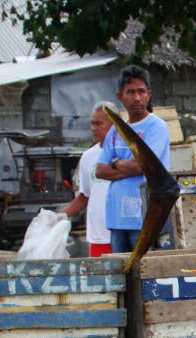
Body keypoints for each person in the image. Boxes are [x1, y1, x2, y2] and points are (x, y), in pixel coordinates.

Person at [96, 65, 170, 254]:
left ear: (149, 94)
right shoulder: (115, 130)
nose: (137, 97)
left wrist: (116, 163)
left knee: (144, 273)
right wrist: (131, 166)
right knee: (122, 276)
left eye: (141, 92)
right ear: (120, 96)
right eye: (130, 92)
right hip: (116, 220)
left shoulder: (156, 127)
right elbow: (100, 170)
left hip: (144, 218)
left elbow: (143, 164)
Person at [60, 101, 119, 257]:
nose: (94, 128)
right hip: (98, 238)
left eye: (99, 124)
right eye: (92, 124)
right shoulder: (88, 157)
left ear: (114, 125)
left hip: (123, 235)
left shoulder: (126, 153)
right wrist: (61, 216)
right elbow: (84, 196)